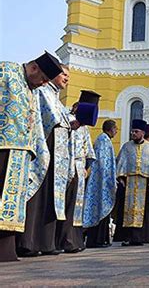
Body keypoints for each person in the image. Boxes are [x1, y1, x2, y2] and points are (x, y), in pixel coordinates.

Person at [1, 52, 63, 262]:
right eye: (44, 79)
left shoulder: (32, 89)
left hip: (21, 153)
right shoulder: (6, 70)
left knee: (11, 204)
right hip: (2, 146)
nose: (44, 84)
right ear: (34, 68)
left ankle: (5, 250)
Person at [16, 63, 73, 258]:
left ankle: (46, 242)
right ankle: (28, 242)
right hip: (44, 148)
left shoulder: (56, 97)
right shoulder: (42, 91)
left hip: (57, 155)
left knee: (51, 197)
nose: (66, 78)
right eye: (64, 74)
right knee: (39, 196)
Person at [56, 92, 98, 254]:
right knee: (68, 205)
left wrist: (87, 168)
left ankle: (75, 239)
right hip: (69, 168)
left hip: (80, 169)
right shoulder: (67, 121)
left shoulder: (84, 127)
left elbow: (89, 151)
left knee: (77, 207)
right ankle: (65, 240)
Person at [115, 119, 149, 246]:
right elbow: (121, 163)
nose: (133, 134)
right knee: (128, 210)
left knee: (143, 210)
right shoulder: (126, 146)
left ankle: (141, 237)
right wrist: (120, 178)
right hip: (129, 182)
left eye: (136, 131)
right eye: (132, 131)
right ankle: (128, 237)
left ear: (142, 132)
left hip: (145, 183)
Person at [83, 120, 118, 248]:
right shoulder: (103, 140)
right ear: (111, 129)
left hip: (103, 180)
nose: (116, 131)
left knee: (103, 211)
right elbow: (103, 162)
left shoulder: (104, 139)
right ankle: (96, 240)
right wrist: (108, 180)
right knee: (100, 210)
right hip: (102, 181)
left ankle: (102, 239)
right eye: (116, 128)